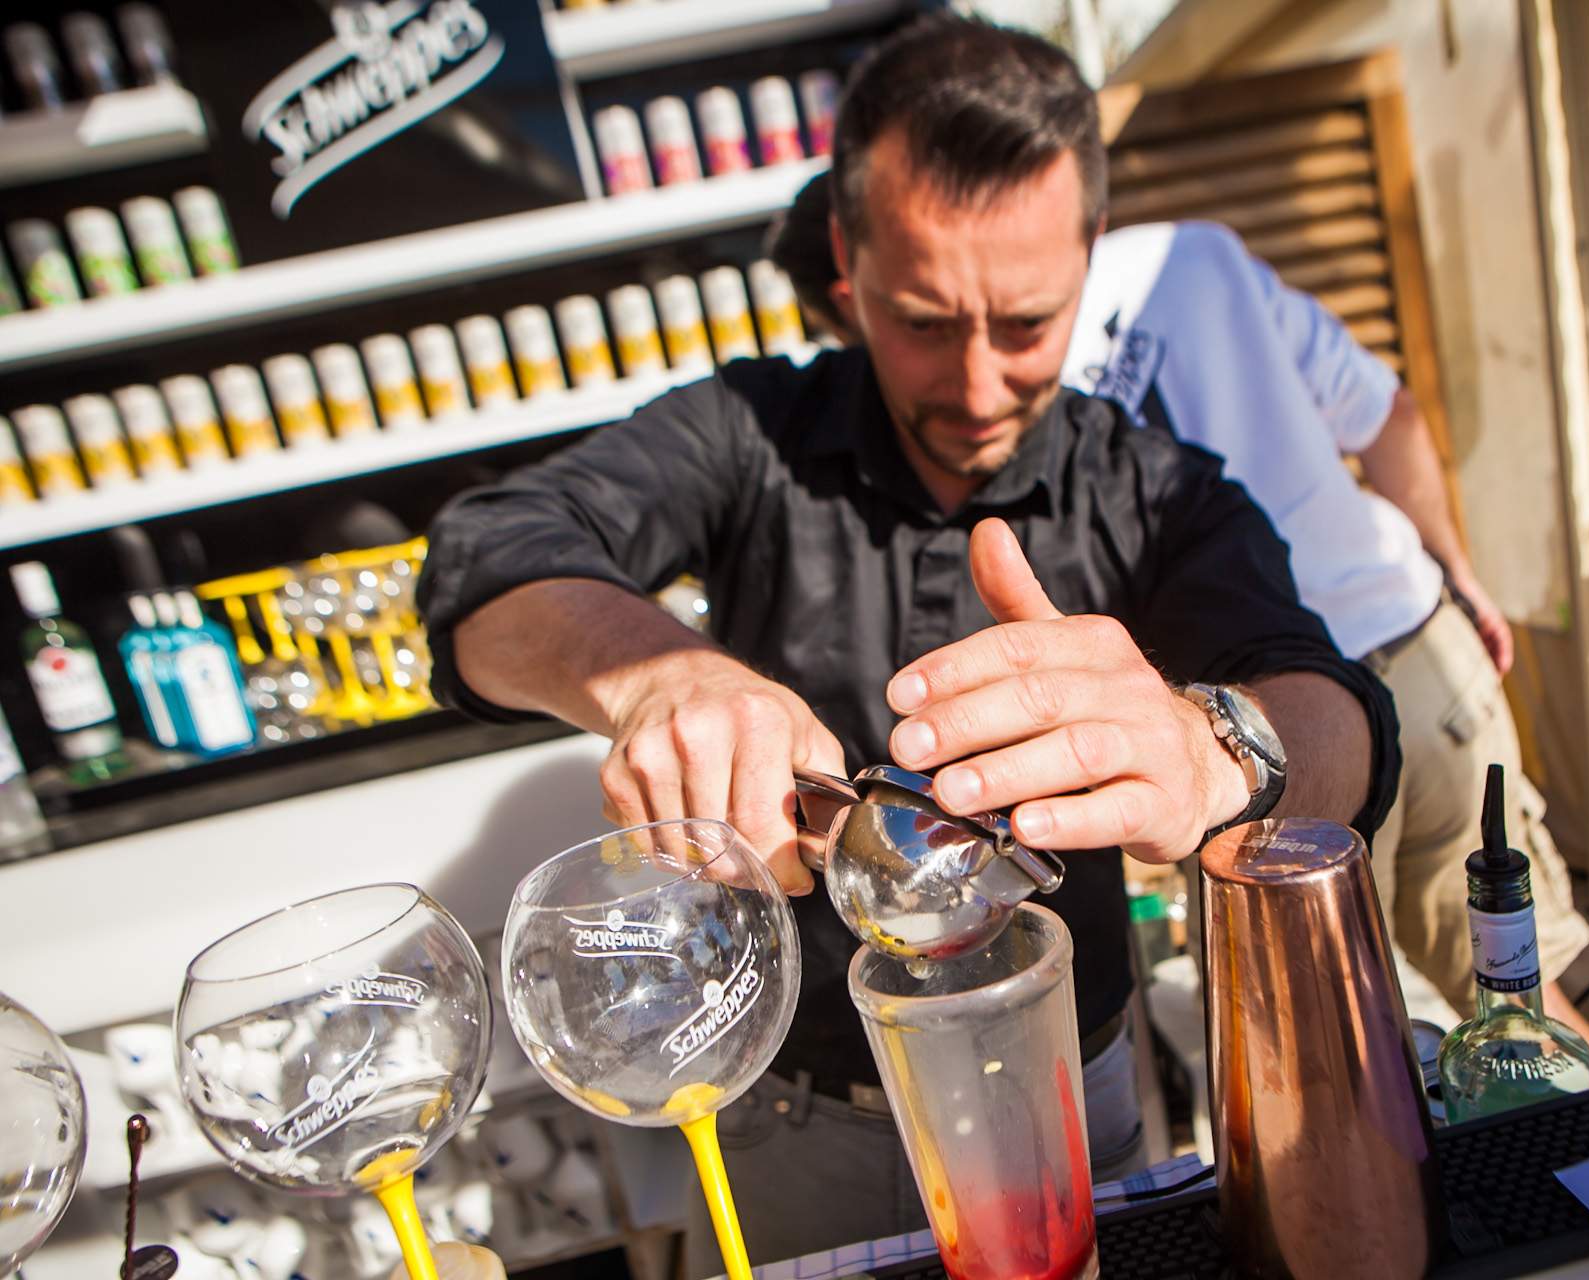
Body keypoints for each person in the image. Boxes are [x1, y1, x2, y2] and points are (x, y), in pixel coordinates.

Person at [418, 15, 1399, 1269]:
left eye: (1027, 324)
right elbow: (483, 556)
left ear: (1088, 252)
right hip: (794, 1115)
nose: (978, 389)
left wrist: (1221, 751)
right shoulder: (750, 432)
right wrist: (660, 672)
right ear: (847, 259)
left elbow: (1346, 716)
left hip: (1068, 1094)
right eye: (926, 322)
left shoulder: (1158, 491)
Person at [772, 184, 1589, 1032]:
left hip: (1277, 741)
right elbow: (1388, 413)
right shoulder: (1199, 253)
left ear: (857, 298)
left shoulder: (997, 401)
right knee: (1527, 1008)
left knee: (1318, 1050)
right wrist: (1455, 571)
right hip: (1422, 650)